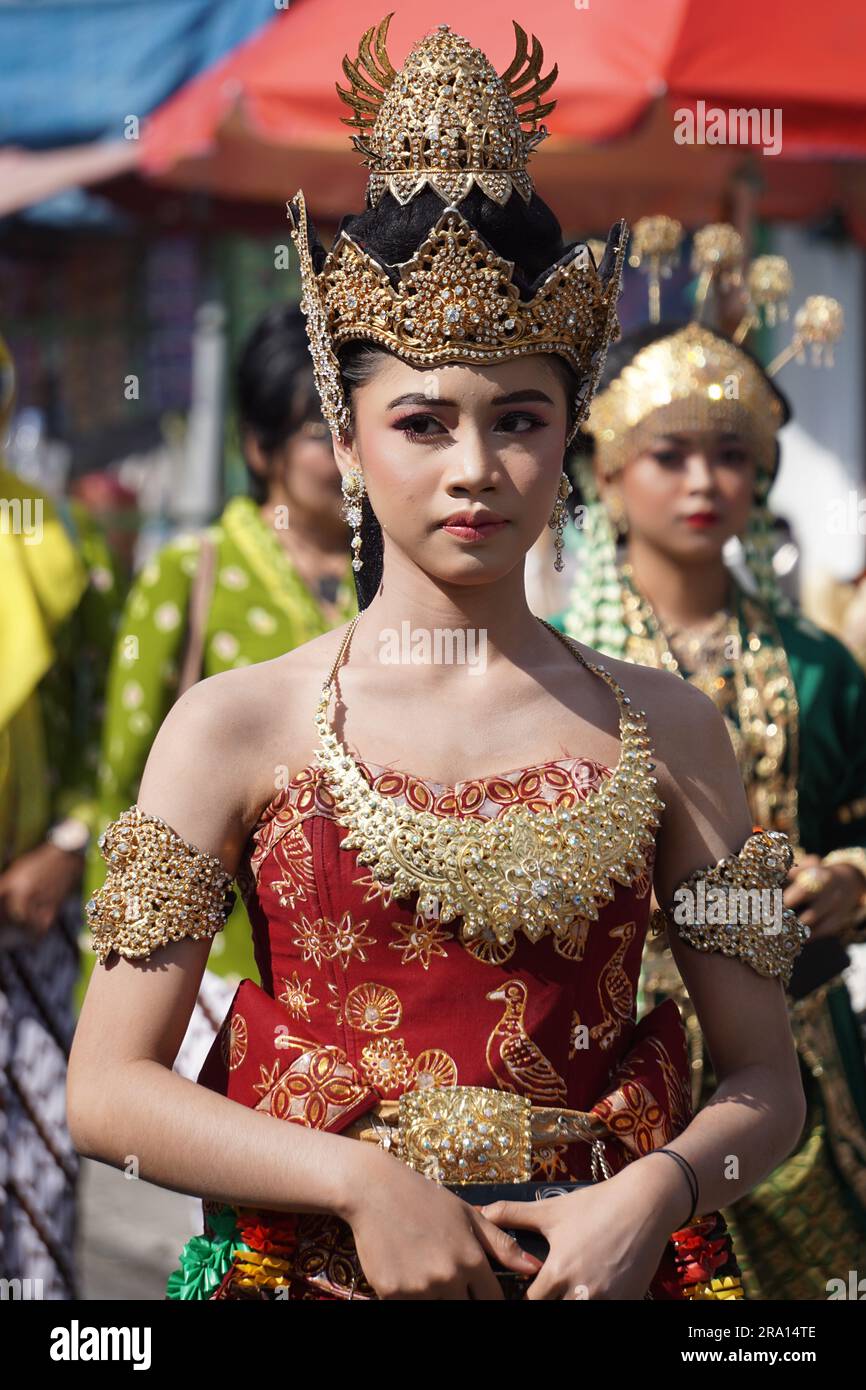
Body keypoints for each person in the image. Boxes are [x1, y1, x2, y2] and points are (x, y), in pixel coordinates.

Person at [68, 19, 808, 1302]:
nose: (475, 469)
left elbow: (764, 1083)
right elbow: (106, 1092)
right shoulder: (231, 724)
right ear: (345, 445)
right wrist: (361, 1184)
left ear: (568, 437)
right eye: (421, 421)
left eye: (519, 419)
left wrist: (656, 1191)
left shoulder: (675, 730)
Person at [550, 222, 866, 1298]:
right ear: (608, 469)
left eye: (732, 454)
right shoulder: (556, 668)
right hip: (603, 1054)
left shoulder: (819, 666)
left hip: (800, 1050)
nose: (704, 480)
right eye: (670, 453)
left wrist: (846, 880)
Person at [82, 306, 358, 1070]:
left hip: (365, 970)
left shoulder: (401, 589)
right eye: (318, 435)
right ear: (259, 446)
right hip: (214, 972)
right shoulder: (191, 572)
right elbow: (124, 789)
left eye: (356, 430)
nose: (345, 458)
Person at [0, 330, 121, 1298]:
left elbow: (103, 723)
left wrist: (68, 841)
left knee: (38, 1164)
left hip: (27, 916)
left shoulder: (44, 538)